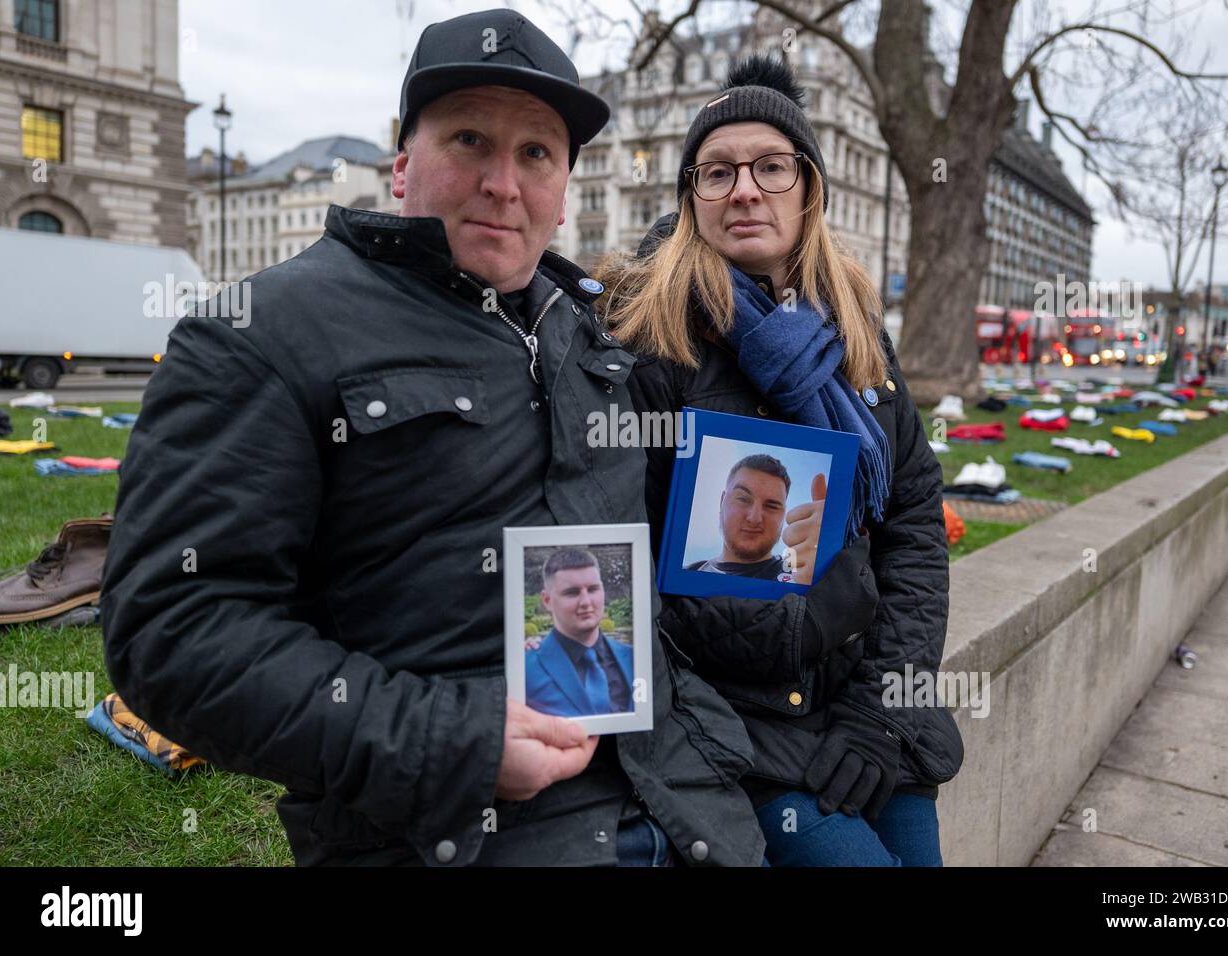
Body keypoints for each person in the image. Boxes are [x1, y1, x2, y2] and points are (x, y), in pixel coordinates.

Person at [100, 10, 765, 868]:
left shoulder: (588, 329)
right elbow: (172, 631)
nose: (504, 181)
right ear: (403, 162)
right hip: (450, 833)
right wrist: (460, 742)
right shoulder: (262, 330)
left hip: (688, 804)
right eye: (469, 140)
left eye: (537, 154)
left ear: (565, 187)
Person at [596, 54, 964, 866]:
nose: (746, 189)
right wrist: (799, 626)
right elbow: (628, 571)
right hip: (742, 730)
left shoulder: (857, 330)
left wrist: (881, 708)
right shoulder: (646, 342)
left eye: (771, 166)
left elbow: (912, 523)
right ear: (692, 197)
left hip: (872, 719)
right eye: (716, 171)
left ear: (809, 188)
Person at [526, 549, 634, 717]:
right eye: (572, 592)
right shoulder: (525, 667)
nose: (586, 602)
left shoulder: (633, 658)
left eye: (593, 589)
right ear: (547, 600)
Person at [685, 453, 821, 583]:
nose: (754, 518)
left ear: (784, 514)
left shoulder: (799, 574)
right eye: (743, 499)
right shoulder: (685, 575)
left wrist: (824, 568)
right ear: (722, 502)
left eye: (772, 506)